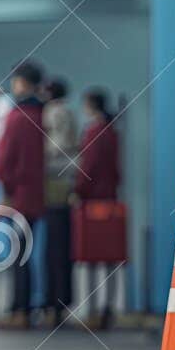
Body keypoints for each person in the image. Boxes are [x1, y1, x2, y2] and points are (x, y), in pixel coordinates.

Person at [0, 62, 46, 329]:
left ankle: (19, 310)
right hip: (37, 195)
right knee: (27, 252)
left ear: (22, 83)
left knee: (17, 255)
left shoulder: (16, 117)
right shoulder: (42, 115)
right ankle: (26, 308)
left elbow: (4, 161)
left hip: (17, 196)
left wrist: (5, 190)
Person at [73, 88, 123, 329]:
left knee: (91, 259)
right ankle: (108, 307)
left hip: (92, 200)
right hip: (110, 199)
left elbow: (88, 167)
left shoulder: (93, 132)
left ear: (91, 105)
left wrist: (78, 190)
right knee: (109, 258)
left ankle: (92, 311)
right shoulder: (112, 132)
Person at [39, 78, 79, 325]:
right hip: (69, 181)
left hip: (54, 182)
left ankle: (52, 302)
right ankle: (62, 301)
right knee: (64, 247)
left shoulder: (52, 113)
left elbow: (53, 147)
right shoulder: (70, 114)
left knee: (53, 249)